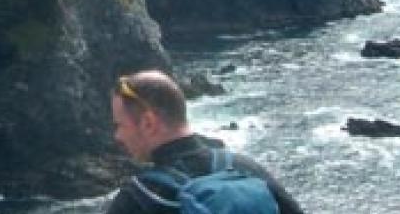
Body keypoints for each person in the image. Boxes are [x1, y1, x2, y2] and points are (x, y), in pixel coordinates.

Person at [105, 70, 305, 214]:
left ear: (148, 123)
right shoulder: (246, 169)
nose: (117, 136)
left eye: (119, 125)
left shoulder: (141, 198)